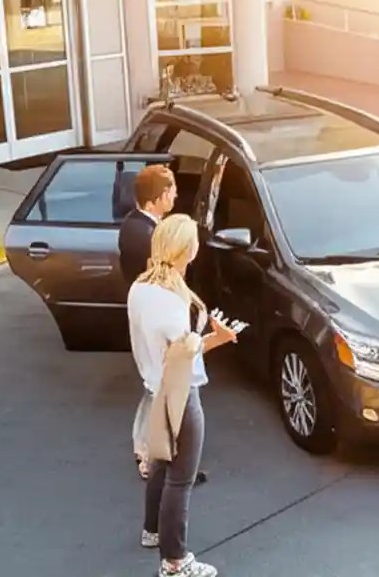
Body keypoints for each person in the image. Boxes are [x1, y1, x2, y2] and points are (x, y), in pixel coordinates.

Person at [128, 214, 238, 577]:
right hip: (180, 394)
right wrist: (215, 338)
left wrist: (203, 339)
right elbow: (180, 355)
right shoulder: (172, 301)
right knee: (181, 477)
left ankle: (151, 530)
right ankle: (175, 562)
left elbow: (165, 352)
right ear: (185, 249)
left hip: (154, 388)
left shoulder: (140, 288)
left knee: (161, 464)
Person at [117, 165, 210, 485]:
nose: (176, 195)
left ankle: (152, 453)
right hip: (156, 330)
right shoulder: (147, 237)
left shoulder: (134, 226)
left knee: (152, 390)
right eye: (171, 191)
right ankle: (150, 455)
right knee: (156, 392)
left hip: (147, 323)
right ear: (157, 198)